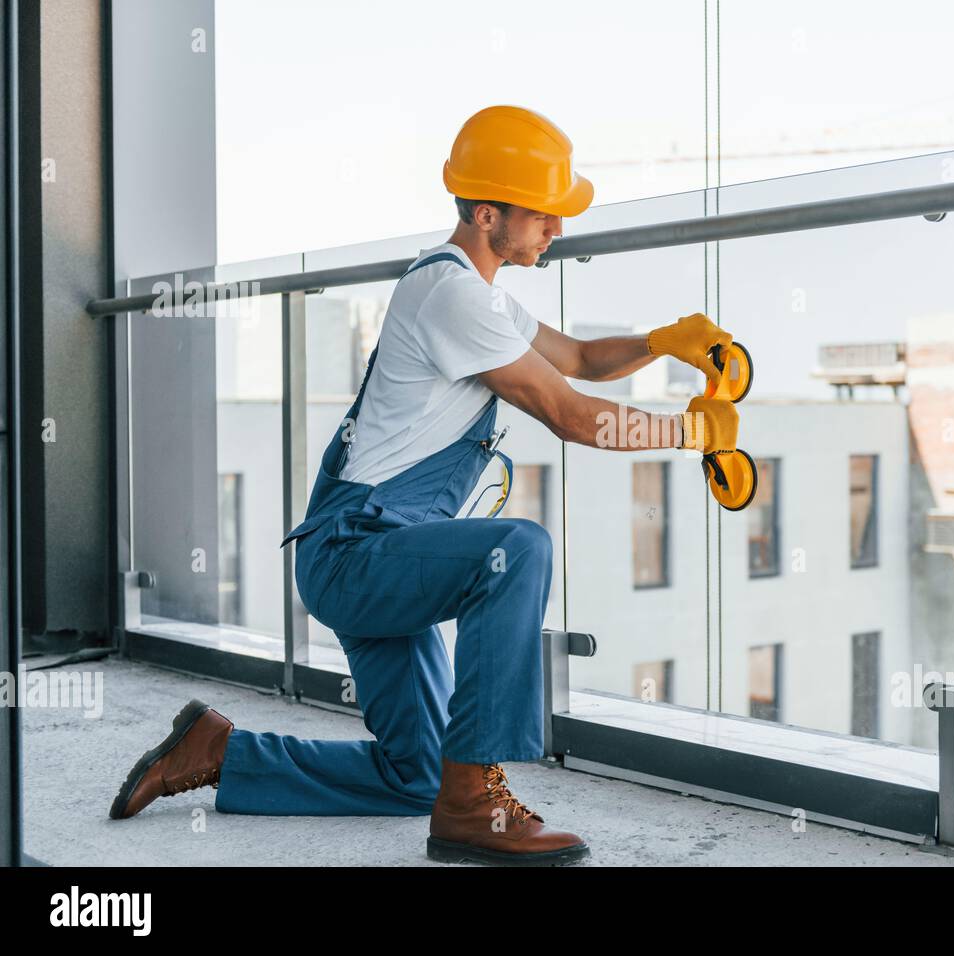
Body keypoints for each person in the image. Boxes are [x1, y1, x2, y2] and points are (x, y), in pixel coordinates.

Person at [108, 105, 739, 866]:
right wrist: (692, 432)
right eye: (544, 215)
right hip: (357, 552)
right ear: (486, 213)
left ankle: (219, 752)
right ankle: (476, 802)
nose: (556, 231)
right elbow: (570, 414)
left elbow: (574, 358)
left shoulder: (479, 295)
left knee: (415, 774)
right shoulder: (453, 298)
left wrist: (665, 342)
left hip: (382, 554)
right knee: (516, 550)